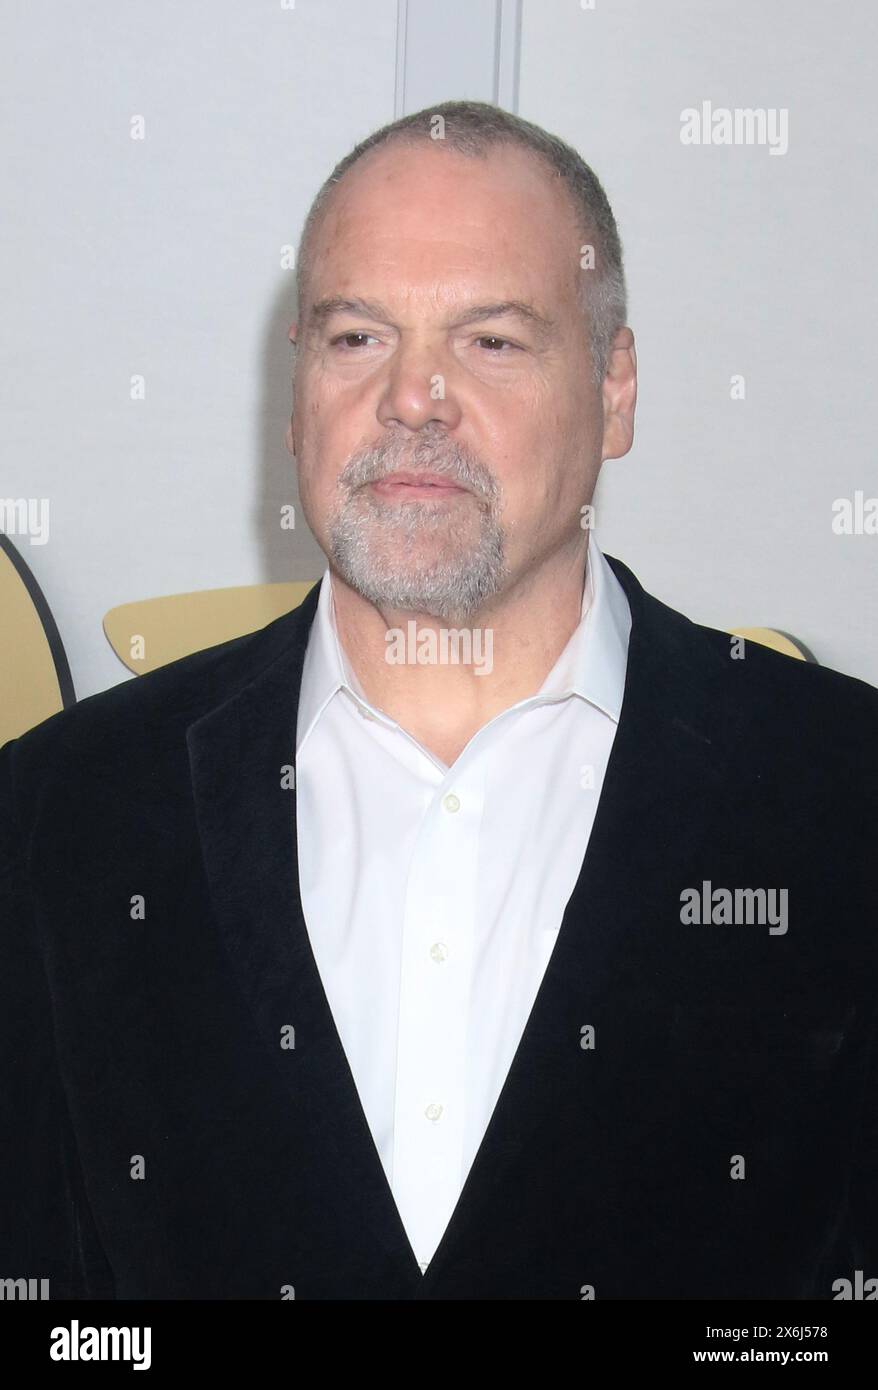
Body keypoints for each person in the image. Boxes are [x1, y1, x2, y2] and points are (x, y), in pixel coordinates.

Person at [1, 100, 875, 1300]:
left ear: (615, 388)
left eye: (492, 341)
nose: (414, 397)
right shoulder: (58, 816)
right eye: (357, 337)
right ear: (295, 385)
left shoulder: (842, 801)